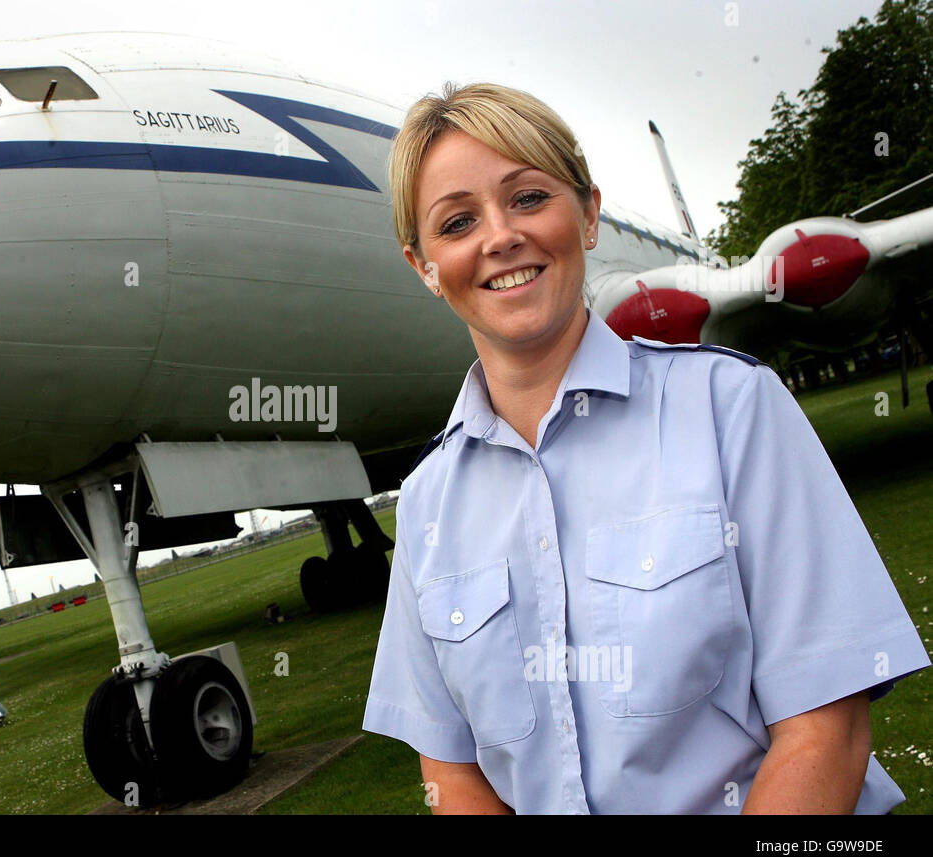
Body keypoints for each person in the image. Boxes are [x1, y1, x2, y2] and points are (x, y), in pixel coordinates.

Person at [361, 82, 930, 814]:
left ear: (589, 213)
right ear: (424, 267)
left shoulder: (732, 408)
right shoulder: (427, 503)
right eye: (458, 221)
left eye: (529, 198)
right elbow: (452, 773)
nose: (499, 236)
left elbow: (826, 731)